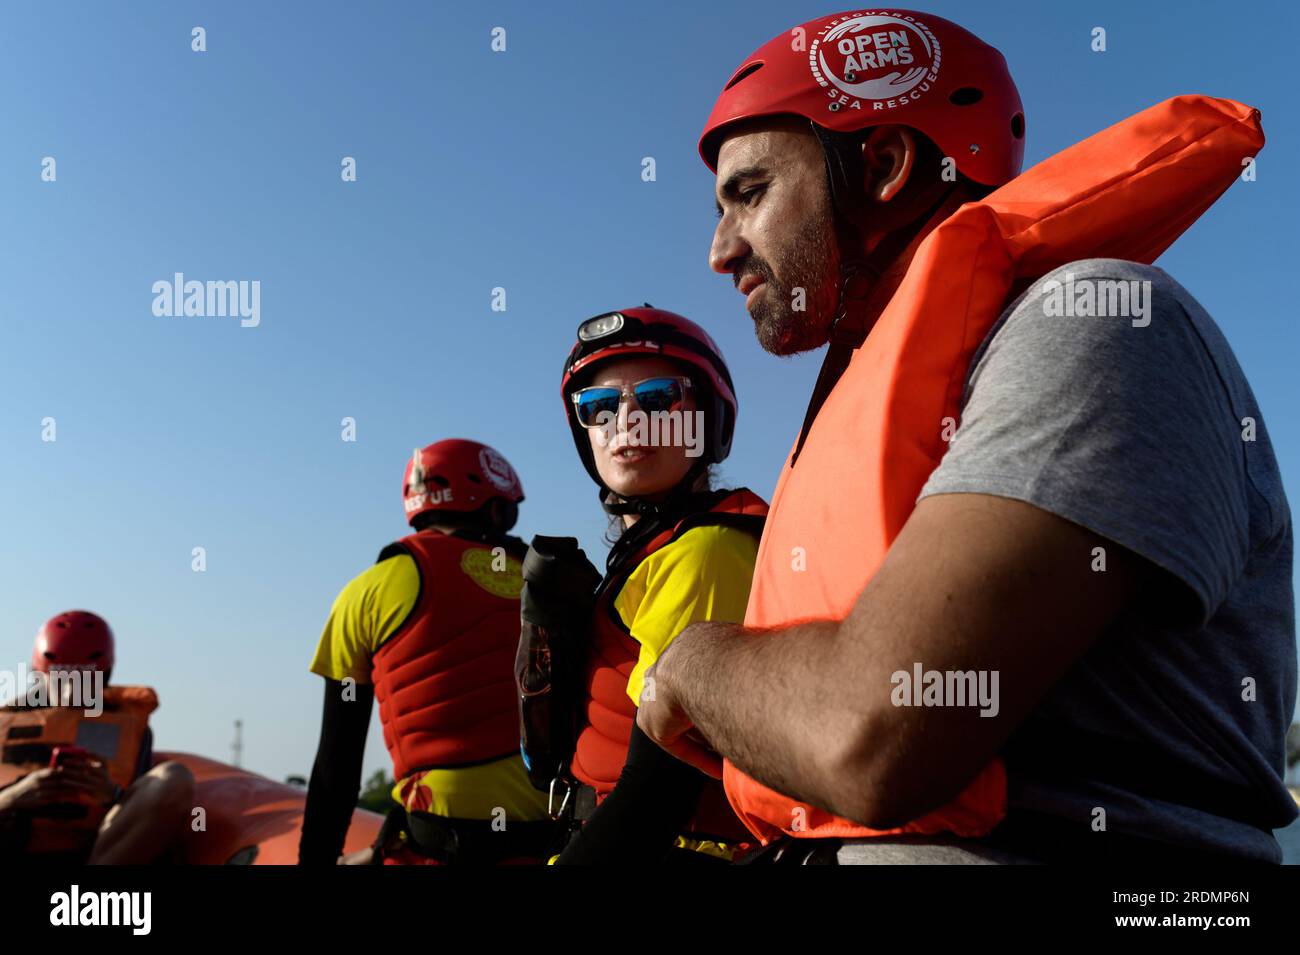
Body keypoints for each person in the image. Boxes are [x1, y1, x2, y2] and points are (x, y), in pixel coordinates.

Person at [635, 9, 1297, 863]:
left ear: (882, 165)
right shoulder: (880, 393)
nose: (720, 249)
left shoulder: (1093, 325)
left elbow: (871, 737)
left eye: (751, 194)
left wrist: (690, 665)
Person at [545, 306, 767, 865]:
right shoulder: (654, 552)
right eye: (598, 407)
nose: (626, 422)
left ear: (709, 418)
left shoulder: (706, 551)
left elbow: (658, 792)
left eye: (658, 397)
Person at [299, 439, 553, 864]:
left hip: (444, 840)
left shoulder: (368, 589)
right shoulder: (544, 580)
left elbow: (336, 766)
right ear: (494, 507)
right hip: (557, 838)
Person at [0, 611, 195, 864]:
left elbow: (140, 806)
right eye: (61, 680)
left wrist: (112, 795)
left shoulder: (130, 725)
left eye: (83, 680)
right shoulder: (6, 722)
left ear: (103, 676)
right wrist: (14, 796)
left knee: (174, 778)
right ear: (40, 675)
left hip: (96, 850)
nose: (71, 692)